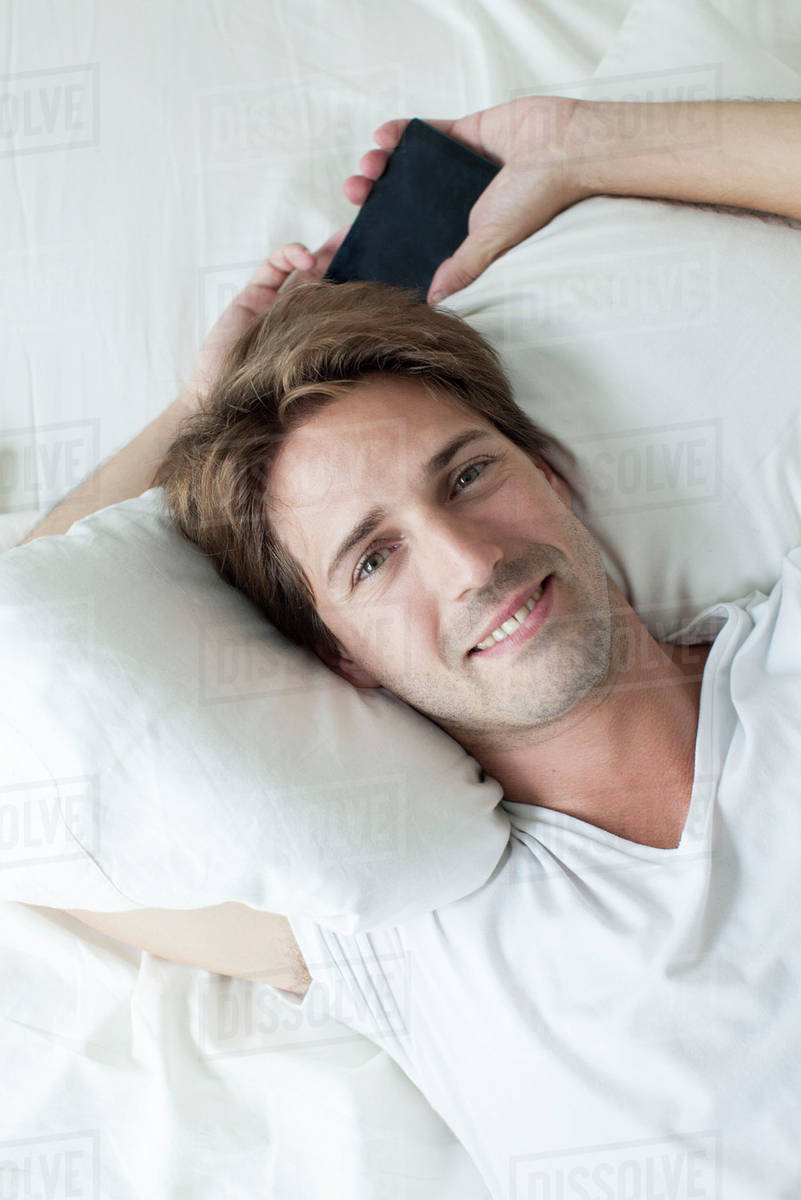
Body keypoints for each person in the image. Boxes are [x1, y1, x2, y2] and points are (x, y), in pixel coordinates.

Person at [25, 95, 801, 1198]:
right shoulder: (401, 923)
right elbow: (24, 717)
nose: (468, 560)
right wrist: (193, 415)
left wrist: (581, 148)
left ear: (554, 474)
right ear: (337, 653)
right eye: (373, 561)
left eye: (469, 475)